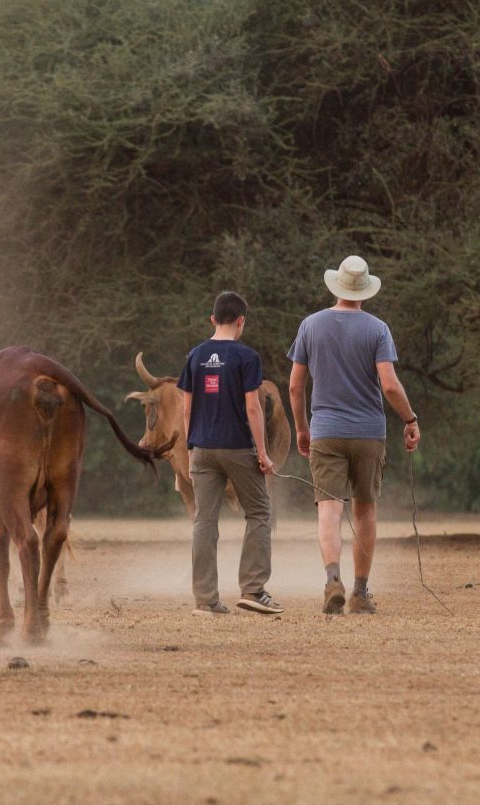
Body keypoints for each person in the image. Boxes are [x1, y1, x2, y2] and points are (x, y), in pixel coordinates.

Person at [288, 256, 420, 615]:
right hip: (368, 434)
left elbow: (296, 386)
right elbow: (390, 386)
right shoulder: (377, 329)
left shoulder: (310, 325)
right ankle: (360, 592)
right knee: (365, 511)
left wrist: (302, 428)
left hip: (326, 432)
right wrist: (410, 419)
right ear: (364, 290)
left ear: (336, 286)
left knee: (329, 511)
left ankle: (333, 580)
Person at [179, 291, 282, 616]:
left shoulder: (195, 355)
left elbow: (187, 406)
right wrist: (263, 453)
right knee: (259, 513)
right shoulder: (246, 357)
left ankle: (205, 600)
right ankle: (253, 589)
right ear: (241, 321)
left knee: (204, 521)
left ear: (212, 319)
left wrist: (191, 444)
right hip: (238, 448)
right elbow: (253, 406)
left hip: (202, 450)